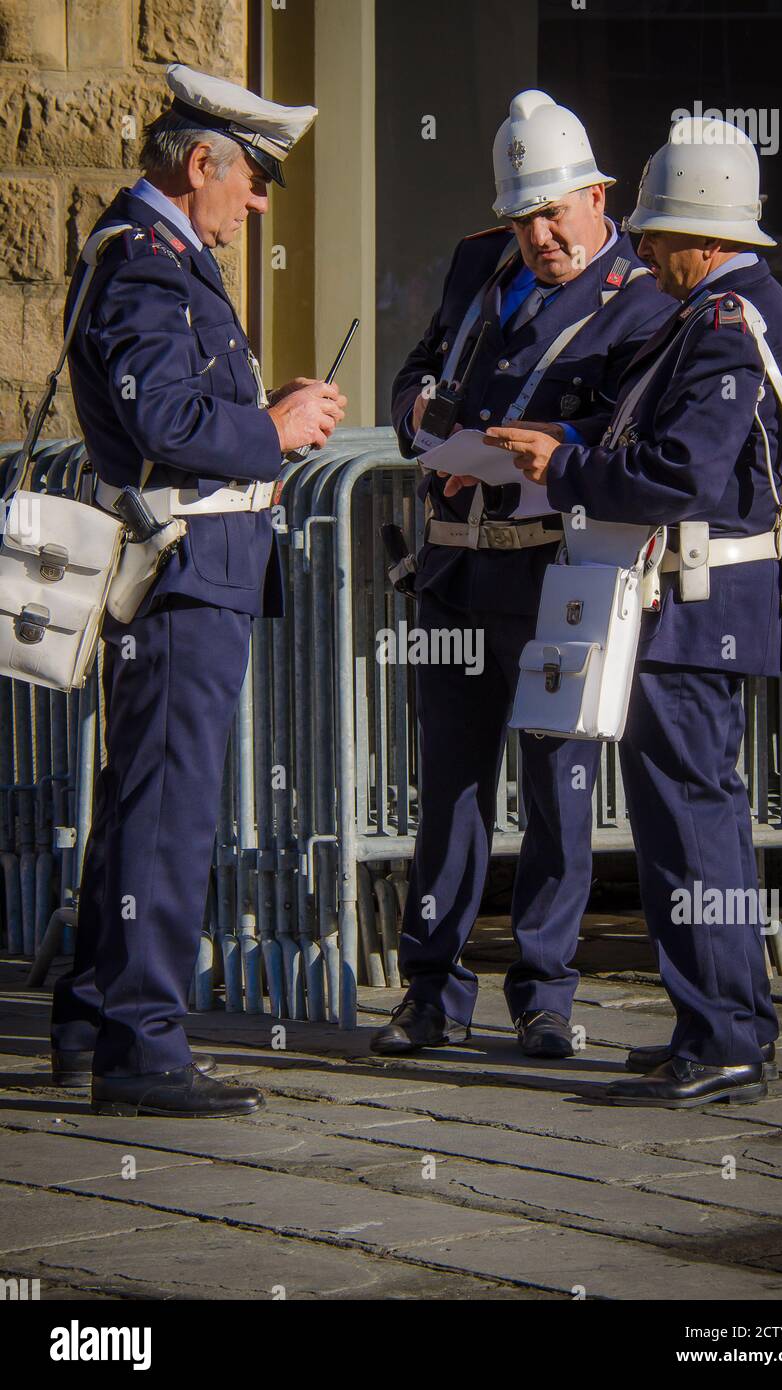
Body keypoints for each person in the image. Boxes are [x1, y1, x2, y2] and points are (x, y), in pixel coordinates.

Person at [488, 117, 782, 1106]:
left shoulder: (723, 322)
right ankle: (725, 1023)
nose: (647, 249)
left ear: (701, 235)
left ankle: (721, 1039)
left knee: (690, 822)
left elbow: (679, 473)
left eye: (658, 233)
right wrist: (571, 441)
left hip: (695, 607)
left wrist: (566, 467)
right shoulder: (715, 313)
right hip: (692, 605)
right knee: (693, 819)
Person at [49, 63, 346, 1118]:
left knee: (146, 798)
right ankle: (144, 1045)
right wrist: (273, 428)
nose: (258, 203)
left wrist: (266, 414)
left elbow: (175, 410)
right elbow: (165, 421)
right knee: (169, 810)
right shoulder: (147, 262)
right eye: (253, 179)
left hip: (189, 565)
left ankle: (92, 1021)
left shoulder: (156, 255)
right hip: (183, 570)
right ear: (202, 162)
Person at [371, 91, 674, 1060]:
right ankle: (430, 989)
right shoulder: (478, 263)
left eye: (552, 213)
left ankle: (544, 993)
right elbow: (419, 369)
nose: (539, 236)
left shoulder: (645, 295)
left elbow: (630, 425)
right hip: (458, 565)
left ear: (597, 196)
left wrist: (540, 444)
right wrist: (423, 418)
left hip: (558, 569)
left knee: (558, 788)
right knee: (449, 792)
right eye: (521, 218)